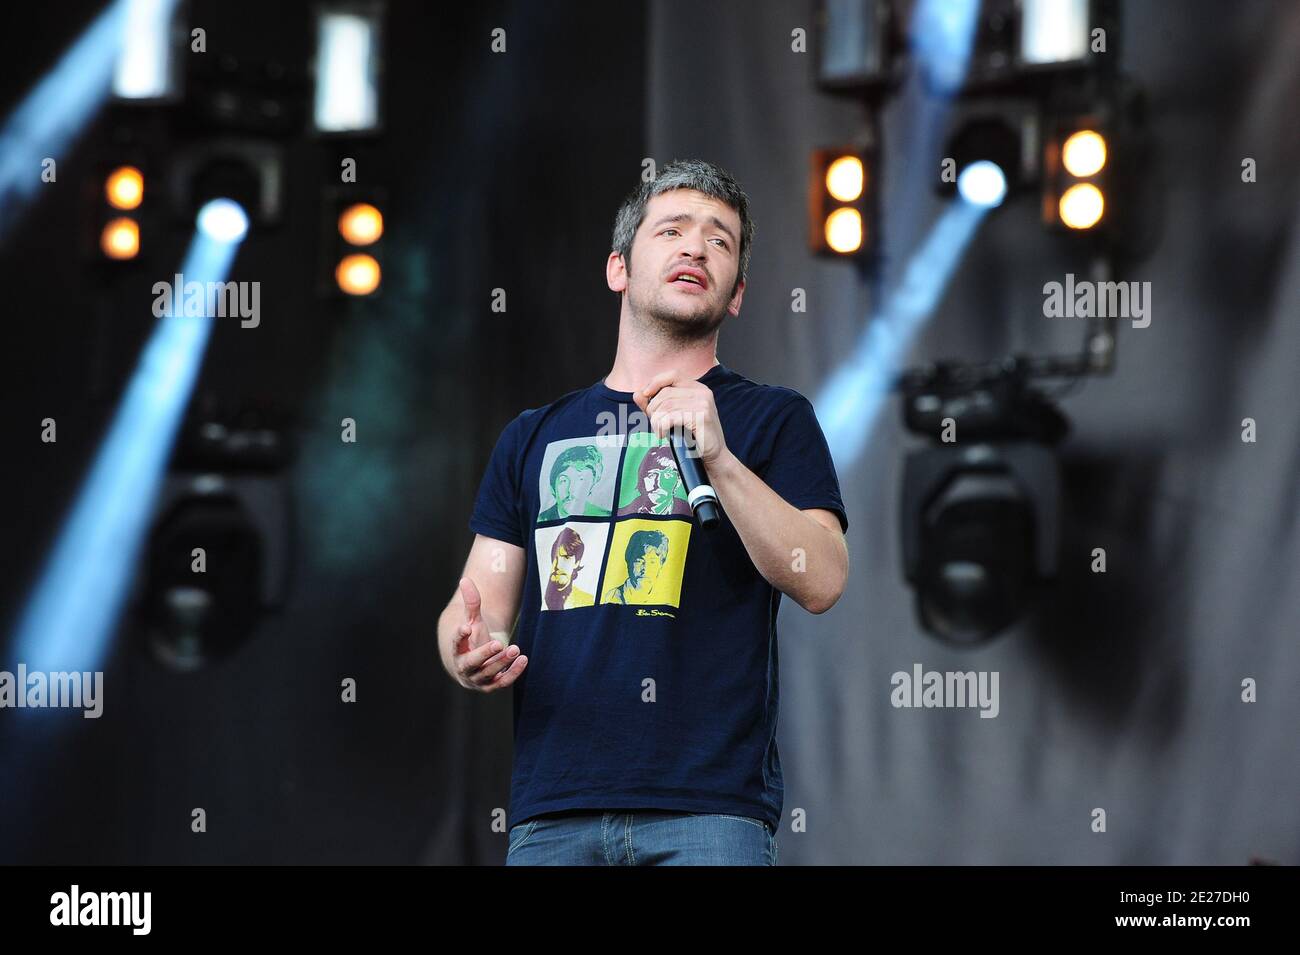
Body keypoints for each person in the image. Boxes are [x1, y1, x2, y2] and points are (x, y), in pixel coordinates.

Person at [436, 159, 849, 866]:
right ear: (618, 269)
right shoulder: (535, 435)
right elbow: (477, 607)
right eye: (674, 231)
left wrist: (719, 457)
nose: (697, 248)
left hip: (708, 809)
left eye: (720, 241)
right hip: (554, 807)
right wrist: (466, 649)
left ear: (738, 293)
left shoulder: (772, 419)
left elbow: (823, 576)